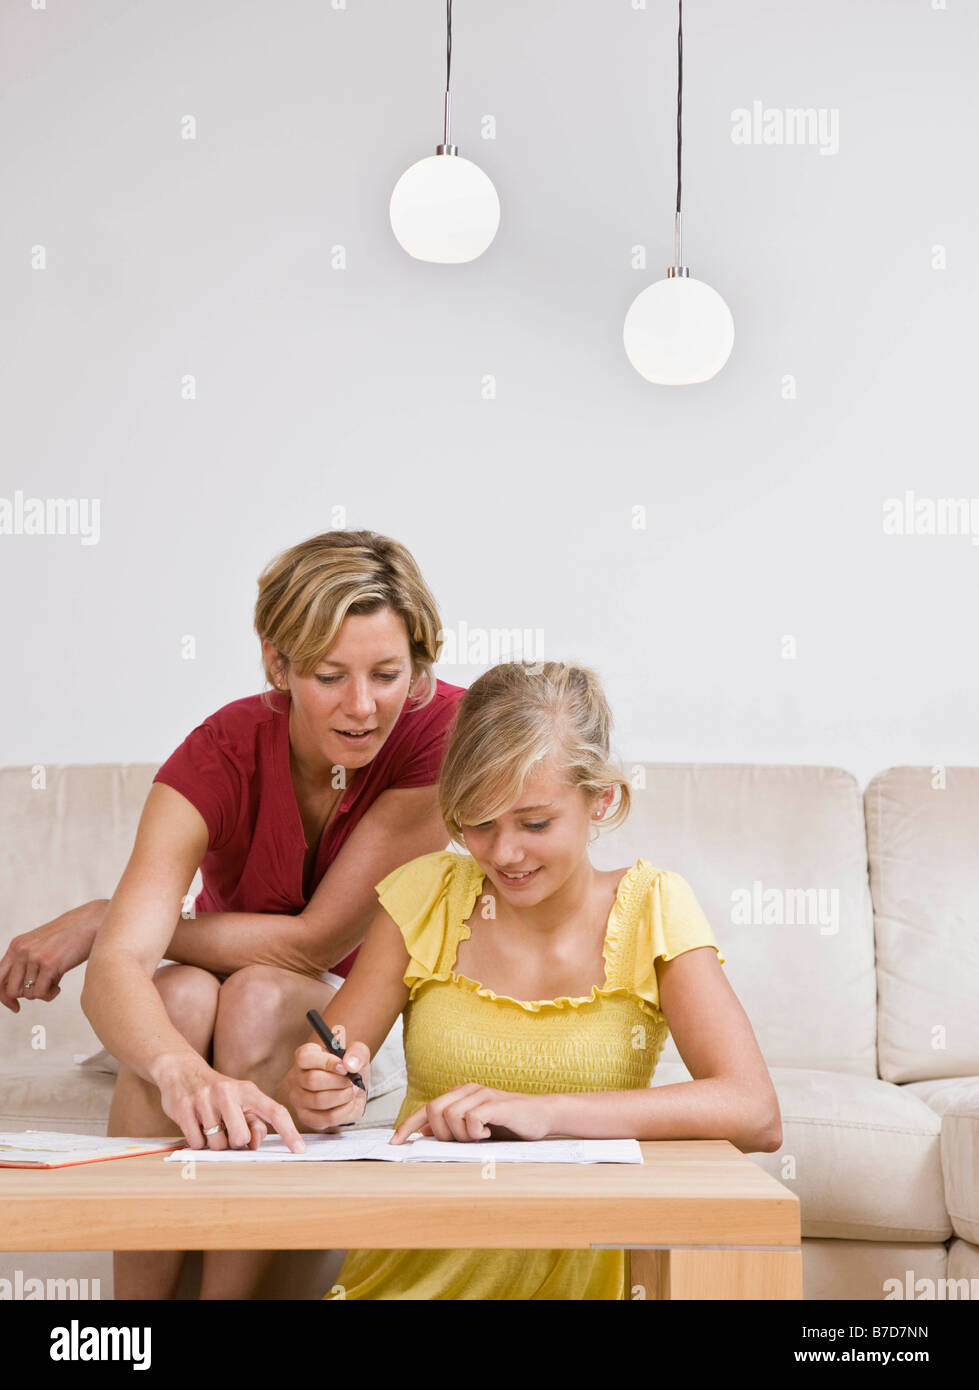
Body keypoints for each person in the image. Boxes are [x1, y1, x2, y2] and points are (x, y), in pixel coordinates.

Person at [0, 529, 465, 1299]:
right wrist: (179, 1070)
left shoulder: (439, 735)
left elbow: (316, 940)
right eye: (328, 676)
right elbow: (116, 972)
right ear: (276, 663)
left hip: (335, 1014)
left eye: (388, 673)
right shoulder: (218, 752)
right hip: (209, 996)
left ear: (419, 665)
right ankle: (132, 1325)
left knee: (254, 995)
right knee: (179, 997)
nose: (362, 706)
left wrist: (98, 918)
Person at [279, 660, 782, 1300]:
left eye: (535, 823)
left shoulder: (653, 906)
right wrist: (316, 1090)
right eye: (479, 824)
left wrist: (544, 1113)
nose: (505, 855)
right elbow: (325, 1073)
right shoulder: (425, 896)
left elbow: (755, 1112)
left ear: (602, 799)